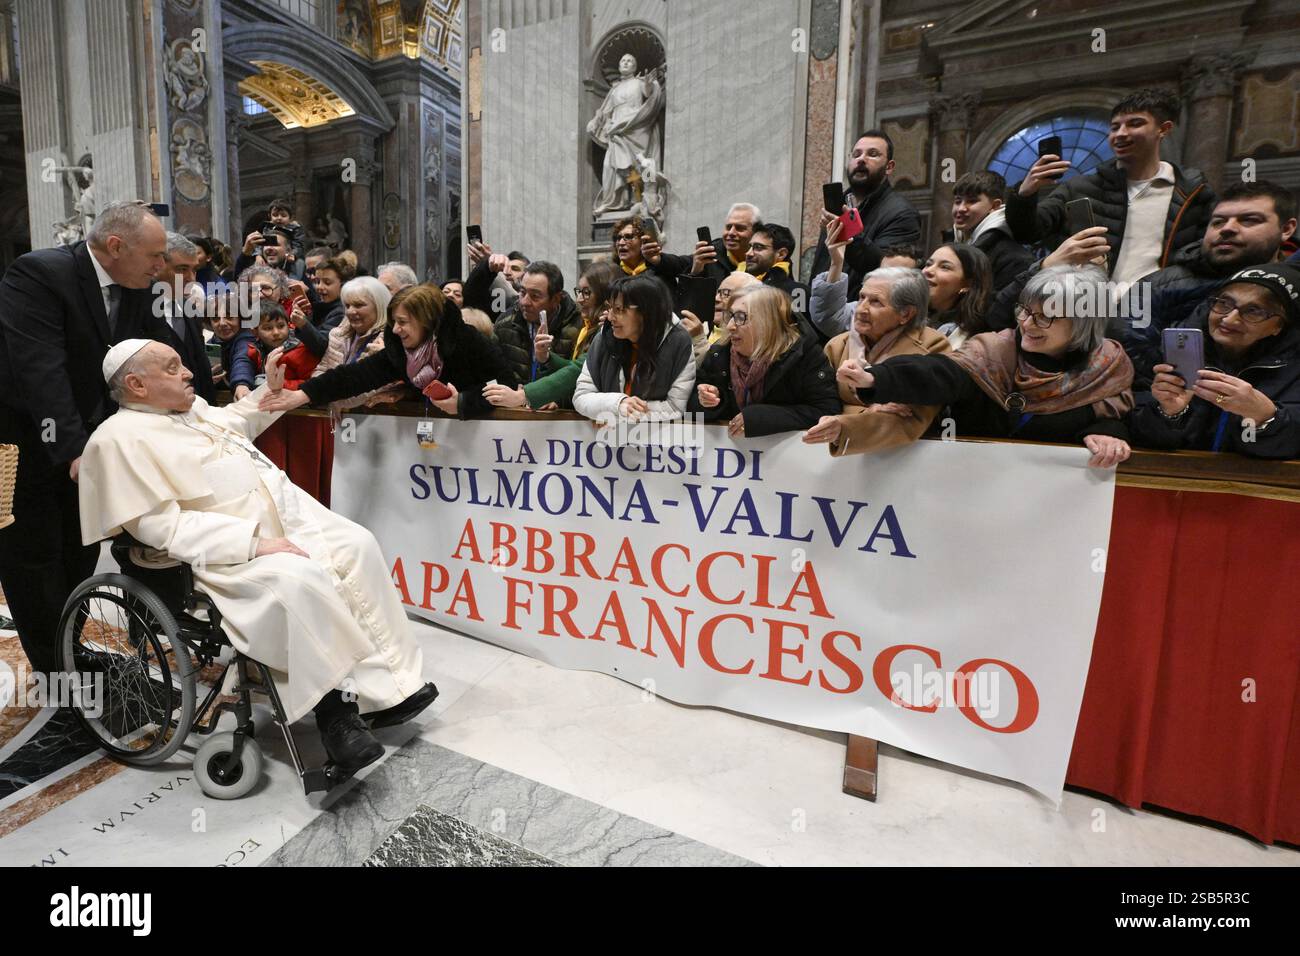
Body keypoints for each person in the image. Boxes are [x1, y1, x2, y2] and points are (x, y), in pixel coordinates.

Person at [80, 339, 439, 770]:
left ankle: (390, 689)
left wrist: (268, 391)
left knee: (356, 543)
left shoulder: (190, 412)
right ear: (136, 384)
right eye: (173, 368)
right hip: (219, 555)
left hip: (284, 523)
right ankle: (336, 714)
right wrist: (252, 542)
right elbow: (161, 527)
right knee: (297, 580)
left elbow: (235, 421)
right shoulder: (117, 439)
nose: (188, 372)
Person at [0, 200, 169, 672]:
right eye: (154, 256)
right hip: (24, 444)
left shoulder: (136, 286)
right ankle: (55, 671)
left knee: (79, 550)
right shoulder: (38, 274)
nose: (161, 266)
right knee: (33, 558)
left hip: (87, 443)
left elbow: (160, 353)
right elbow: (41, 371)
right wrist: (74, 451)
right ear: (116, 246)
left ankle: (69, 649)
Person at [833, 265, 1135, 467]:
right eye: (1025, 311)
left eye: (1045, 317)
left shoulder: (1108, 369)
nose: (1027, 324)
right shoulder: (993, 351)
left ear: (1084, 324)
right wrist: (876, 379)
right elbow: (940, 373)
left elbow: (1120, 415)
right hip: (966, 491)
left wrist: (1108, 431)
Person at [1005, 88, 1216, 287]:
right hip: (1089, 306)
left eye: (1135, 124)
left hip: (1158, 307)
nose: (1121, 133)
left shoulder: (1193, 192)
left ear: (1163, 129)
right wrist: (1025, 193)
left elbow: (1207, 254)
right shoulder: (1080, 187)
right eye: (1115, 127)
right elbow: (1028, 233)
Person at [1125, 180, 1298, 387]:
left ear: (1286, 229)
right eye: (1218, 222)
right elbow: (1128, 361)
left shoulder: (1294, 291)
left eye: (1249, 220)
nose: (1227, 229)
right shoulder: (1157, 285)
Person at [261, 284, 517, 420]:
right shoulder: (400, 350)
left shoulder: (465, 341)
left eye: (403, 322)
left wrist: (463, 402)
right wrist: (301, 395)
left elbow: (506, 384)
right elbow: (354, 376)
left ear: (425, 320)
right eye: (394, 321)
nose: (395, 330)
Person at [1130, 264, 1299, 459]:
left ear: (1278, 326)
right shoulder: (1172, 350)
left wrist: (1266, 417)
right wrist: (1170, 413)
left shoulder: (1294, 370)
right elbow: (1140, 438)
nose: (1229, 318)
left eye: (1254, 311)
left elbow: (1290, 447)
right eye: (1224, 303)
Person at [802, 267, 952, 455]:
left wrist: (844, 424)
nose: (861, 309)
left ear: (905, 314)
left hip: (906, 459)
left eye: (876, 302)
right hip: (839, 456)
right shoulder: (837, 345)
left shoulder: (933, 345)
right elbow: (822, 405)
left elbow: (912, 421)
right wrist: (871, 412)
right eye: (861, 297)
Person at [689, 286, 840, 437]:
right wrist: (712, 402)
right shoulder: (720, 353)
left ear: (768, 322)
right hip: (728, 454)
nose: (730, 326)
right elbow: (690, 408)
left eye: (741, 317)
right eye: (730, 316)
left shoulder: (804, 356)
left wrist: (760, 418)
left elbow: (827, 410)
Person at [483, 261, 621, 412]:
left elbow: (577, 371)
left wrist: (524, 395)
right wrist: (547, 359)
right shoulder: (504, 322)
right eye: (522, 292)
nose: (580, 299)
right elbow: (580, 374)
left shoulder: (599, 327)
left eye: (587, 293)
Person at [810, 130, 923, 300]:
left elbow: (883, 271)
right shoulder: (839, 204)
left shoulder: (903, 213)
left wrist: (847, 229)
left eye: (873, 154)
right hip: (821, 309)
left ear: (889, 167)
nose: (861, 159)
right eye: (856, 154)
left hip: (859, 313)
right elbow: (821, 263)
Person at [572, 274, 695, 423]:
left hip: (657, 442)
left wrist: (616, 416)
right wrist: (618, 404)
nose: (610, 317)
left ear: (645, 312)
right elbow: (581, 396)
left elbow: (675, 406)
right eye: (609, 308)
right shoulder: (604, 337)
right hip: (608, 441)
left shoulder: (679, 343)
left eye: (618, 309)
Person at [467, 258, 583, 383]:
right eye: (522, 292)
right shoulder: (506, 323)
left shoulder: (578, 326)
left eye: (535, 296)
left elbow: (581, 378)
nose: (524, 302)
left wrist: (558, 401)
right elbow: (491, 371)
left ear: (556, 299)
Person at [310, 276, 405, 419]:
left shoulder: (390, 338)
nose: (351, 311)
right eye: (347, 306)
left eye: (359, 305)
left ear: (379, 306)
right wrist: (324, 394)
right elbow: (321, 370)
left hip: (378, 420)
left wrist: (330, 398)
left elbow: (369, 386)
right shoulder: (338, 334)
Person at [155, 231, 215, 402]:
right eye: (181, 269)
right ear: (157, 265)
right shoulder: (138, 311)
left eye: (194, 269)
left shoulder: (190, 307)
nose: (191, 278)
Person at [950, 171, 1034, 292]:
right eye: (958, 201)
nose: (961, 208)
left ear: (995, 206)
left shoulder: (1013, 258)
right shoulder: (953, 244)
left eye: (972, 201)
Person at [654, 203, 762, 283]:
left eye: (740, 228)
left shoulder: (765, 257)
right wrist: (658, 258)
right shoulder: (711, 252)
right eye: (728, 227)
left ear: (756, 232)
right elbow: (681, 263)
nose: (731, 233)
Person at [923, 243, 994, 349]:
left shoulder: (971, 341)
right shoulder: (907, 314)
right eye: (928, 264)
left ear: (967, 284)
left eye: (944, 267)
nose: (927, 271)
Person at [681, 271, 761, 365]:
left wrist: (698, 340)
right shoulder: (702, 326)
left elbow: (716, 375)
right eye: (718, 293)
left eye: (726, 294)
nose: (716, 298)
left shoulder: (745, 338)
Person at [210, 290, 256, 400]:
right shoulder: (210, 344)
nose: (222, 323)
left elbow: (242, 359)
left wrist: (242, 385)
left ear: (241, 319)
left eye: (229, 317)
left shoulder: (247, 338)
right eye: (216, 319)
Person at [268, 198, 307, 262]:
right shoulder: (267, 229)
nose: (279, 218)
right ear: (270, 216)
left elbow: (299, 246)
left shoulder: (295, 229)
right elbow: (260, 245)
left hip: (291, 257)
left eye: (283, 215)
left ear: (290, 217)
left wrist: (293, 254)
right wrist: (258, 255)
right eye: (275, 215)